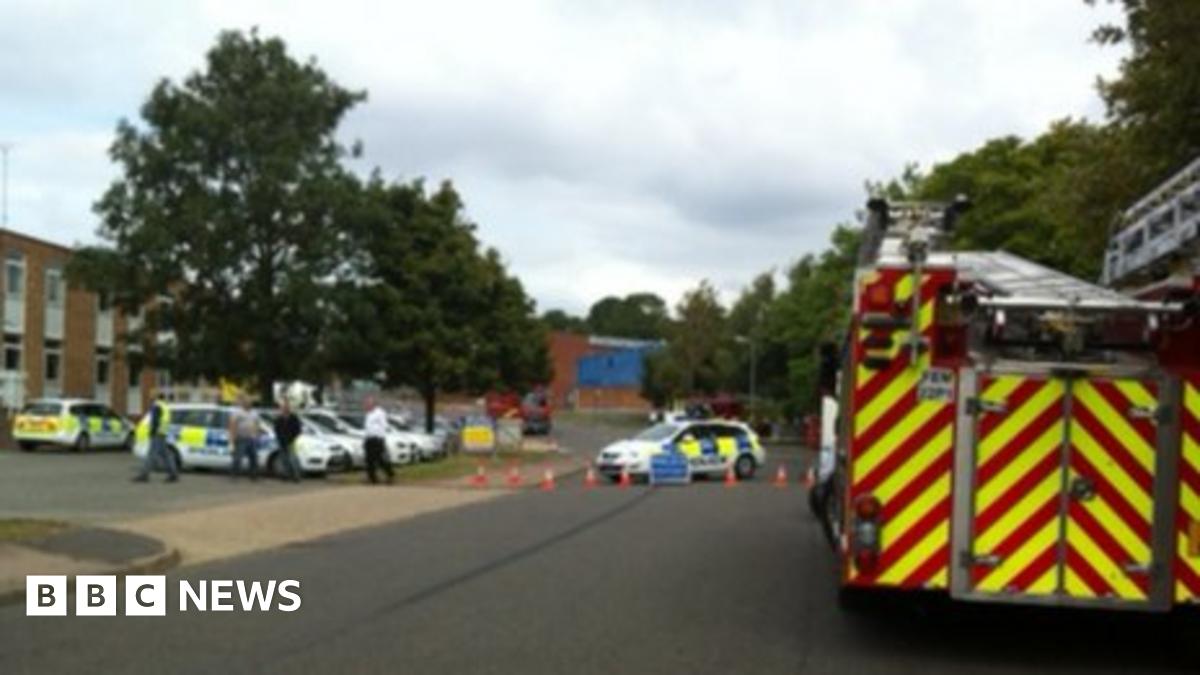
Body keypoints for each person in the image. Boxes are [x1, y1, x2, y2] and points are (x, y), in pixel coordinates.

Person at [134, 393, 178, 483]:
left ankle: (144, 475)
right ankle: (173, 474)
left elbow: (155, 421)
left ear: (156, 398)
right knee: (165, 455)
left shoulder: (156, 406)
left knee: (151, 454)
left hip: (157, 433)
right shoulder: (165, 407)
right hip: (163, 432)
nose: (151, 400)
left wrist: (152, 432)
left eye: (152, 398)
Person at [229, 395, 261, 481]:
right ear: (243, 403)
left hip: (252, 438)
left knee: (254, 458)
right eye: (246, 402)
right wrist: (232, 439)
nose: (248, 403)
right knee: (238, 458)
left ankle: (254, 476)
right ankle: (234, 475)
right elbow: (232, 425)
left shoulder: (255, 413)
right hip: (241, 438)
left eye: (250, 402)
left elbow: (257, 425)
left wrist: (257, 435)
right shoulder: (237, 412)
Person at [363, 396, 394, 485]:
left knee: (381, 459)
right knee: (369, 460)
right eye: (366, 403)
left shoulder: (380, 413)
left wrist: (381, 437)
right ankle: (372, 478)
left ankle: (390, 475)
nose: (366, 405)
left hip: (377, 439)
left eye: (368, 403)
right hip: (369, 439)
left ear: (373, 404)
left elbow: (384, 425)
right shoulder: (368, 414)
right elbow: (368, 428)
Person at [273, 399, 303, 483]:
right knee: (284, 459)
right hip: (281, 441)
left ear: (289, 408)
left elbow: (298, 430)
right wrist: (279, 438)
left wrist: (293, 438)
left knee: (293, 459)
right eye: (283, 408)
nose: (285, 409)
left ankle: (296, 476)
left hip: (291, 441)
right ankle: (285, 475)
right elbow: (276, 429)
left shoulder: (294, 418)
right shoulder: (278, 419)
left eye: (287, 407)